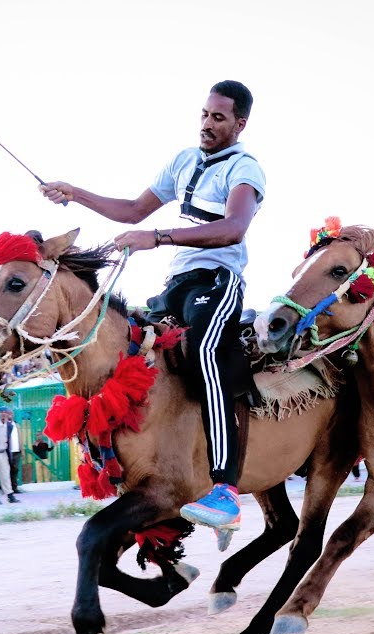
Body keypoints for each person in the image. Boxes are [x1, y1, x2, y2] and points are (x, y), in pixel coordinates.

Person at [39, 80, 265, 531]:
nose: (207, 123)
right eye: (204, 114)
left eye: (218, 117)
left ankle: (225, 490)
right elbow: (132, 210)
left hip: (218, 281)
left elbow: (234, 228)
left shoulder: (246, 169)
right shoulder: (183, 160)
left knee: (205, 352)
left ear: (240, 124)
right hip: (175, 285)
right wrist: (75, 193)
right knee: (131, 352)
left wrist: (157, 237)